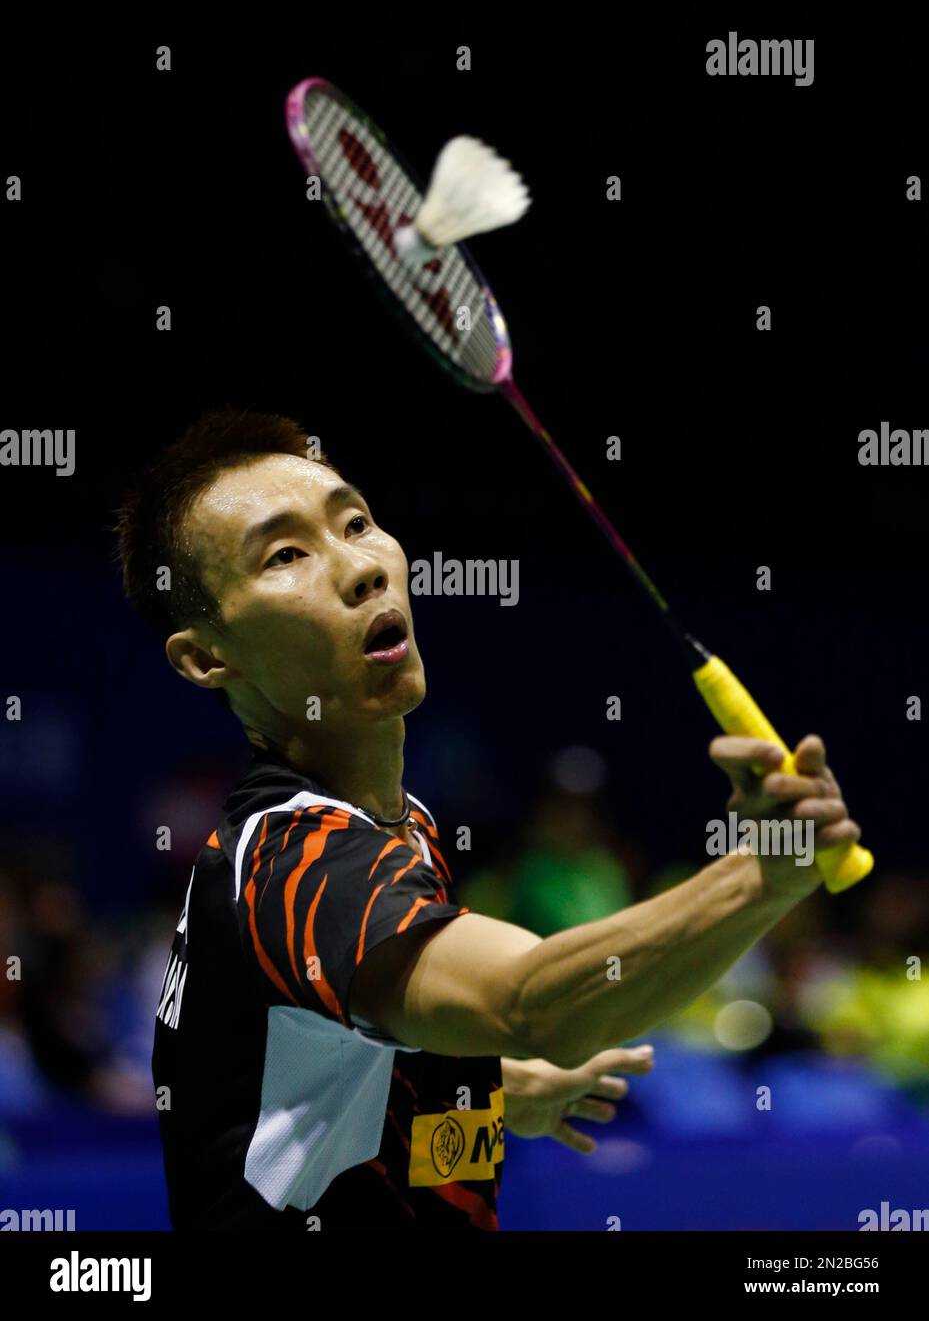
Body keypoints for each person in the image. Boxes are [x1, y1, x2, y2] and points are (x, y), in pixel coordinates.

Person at [114, 406, 862, 1230]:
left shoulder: (392, 824)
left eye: (356, 522)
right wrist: (760, 873)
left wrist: (485, 1090)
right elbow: (534, 1005)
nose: (360, 567)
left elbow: (313, 1071)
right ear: (205, 657)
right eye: (286, 554)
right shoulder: (294, 858)